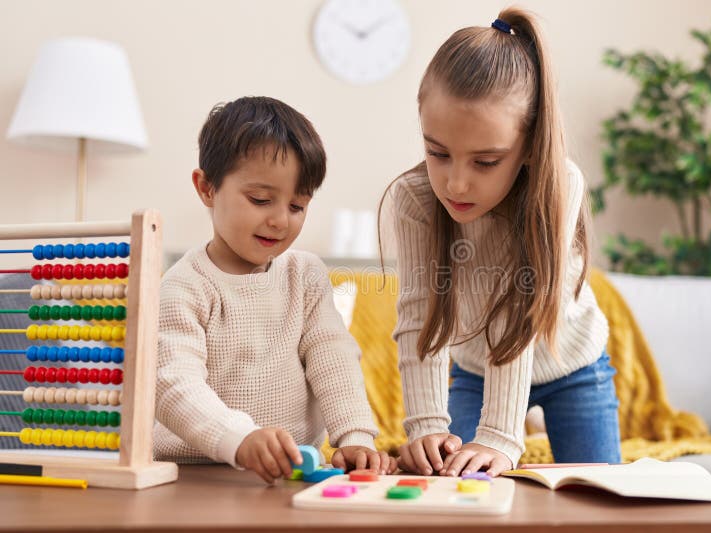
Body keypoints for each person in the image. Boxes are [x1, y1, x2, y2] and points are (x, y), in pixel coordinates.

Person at [384, 9, 621, 478]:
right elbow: (419, 317)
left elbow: (519, 312)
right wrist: (427, 426)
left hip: (574, 365)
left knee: (602, 499)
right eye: (437, 152)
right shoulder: (414, 199)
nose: (455, 184)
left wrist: (501, 436)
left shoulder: (559, 187)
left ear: (530, 146)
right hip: (474, 371)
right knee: (446, 482)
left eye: (486, 161)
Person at [155, 96, 395, 484]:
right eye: (261, 200)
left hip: (296, 473)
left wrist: (354, 434)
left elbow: (332, 356)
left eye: (298, 206)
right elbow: (172, 383)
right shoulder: (183, 287)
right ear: (207, 188)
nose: (280, 220)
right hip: (196, 474)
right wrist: (239, 438)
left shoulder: (306, 275)